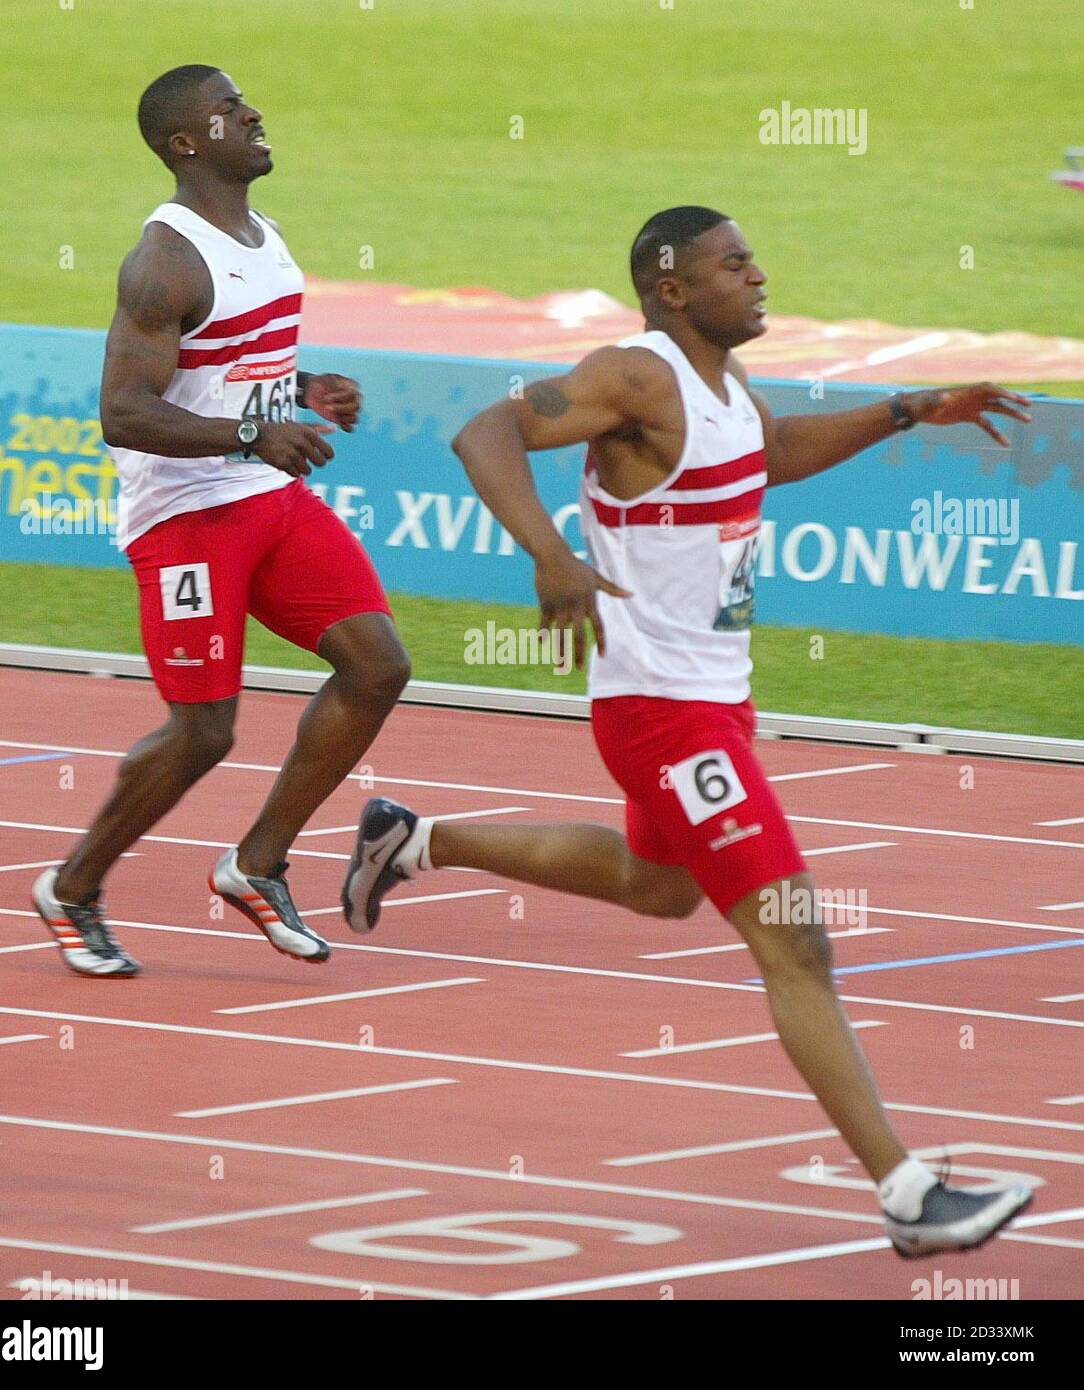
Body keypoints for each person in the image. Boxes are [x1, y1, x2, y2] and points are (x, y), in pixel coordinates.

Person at [341, 205, 1034, 1257]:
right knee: (794, 935)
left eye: (754, 255)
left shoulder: (721, 388)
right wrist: (547, 552)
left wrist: (905, 409)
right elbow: (484, 429)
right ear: (672, 289)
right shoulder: (636, 374)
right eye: (733, 263)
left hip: (716, 701)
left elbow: (773, 451)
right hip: (662, 714)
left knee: (657, 886)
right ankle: (905, 1195)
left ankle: (415, 839)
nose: (758, 274)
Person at [32, 66, 409, 977]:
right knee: (203, 731)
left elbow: (234, 357)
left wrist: (306, 389)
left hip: (264, 499)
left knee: (378, 665)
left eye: (248, 103)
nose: (254, 114)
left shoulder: (262, 233)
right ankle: (74, 886)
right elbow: (124, 412)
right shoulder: (164, 261)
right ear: (186, 143)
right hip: (187, 518)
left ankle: (256, 863)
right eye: (231, 110)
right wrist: (253, 429)